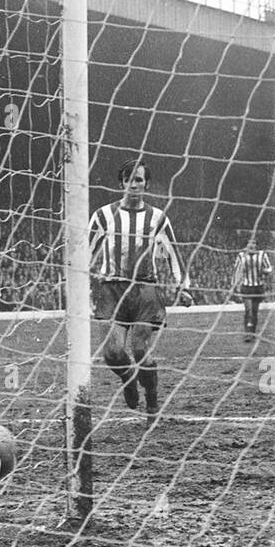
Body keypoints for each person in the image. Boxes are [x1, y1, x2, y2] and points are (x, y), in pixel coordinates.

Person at [89, 158, 192, 419]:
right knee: (112, 353)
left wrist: (183, 286)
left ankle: (152, 397)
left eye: (139, 179)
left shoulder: (158, 218)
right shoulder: (102, 216)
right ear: (121, 182)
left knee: (139, 349)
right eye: (129, 179)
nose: (133, 184)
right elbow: (85, 252)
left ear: (146, 184)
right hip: (111, 289)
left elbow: (173, 253)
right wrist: (78, 284)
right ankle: (128, 379)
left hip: (145, 289)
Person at [232, 237, 272, 342]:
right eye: (249, 243)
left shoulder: (262, 255)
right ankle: (248, 333)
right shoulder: (241, 256)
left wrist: (265, 271)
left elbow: (269, 268)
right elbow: (237, 270)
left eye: (254, 243)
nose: (251, 245)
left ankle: (252, 332)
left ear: (256, 245)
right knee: (248, 310)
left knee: (254, 311)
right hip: (246, 287)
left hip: (258, 287)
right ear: (246, 245)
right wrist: (235, 284)